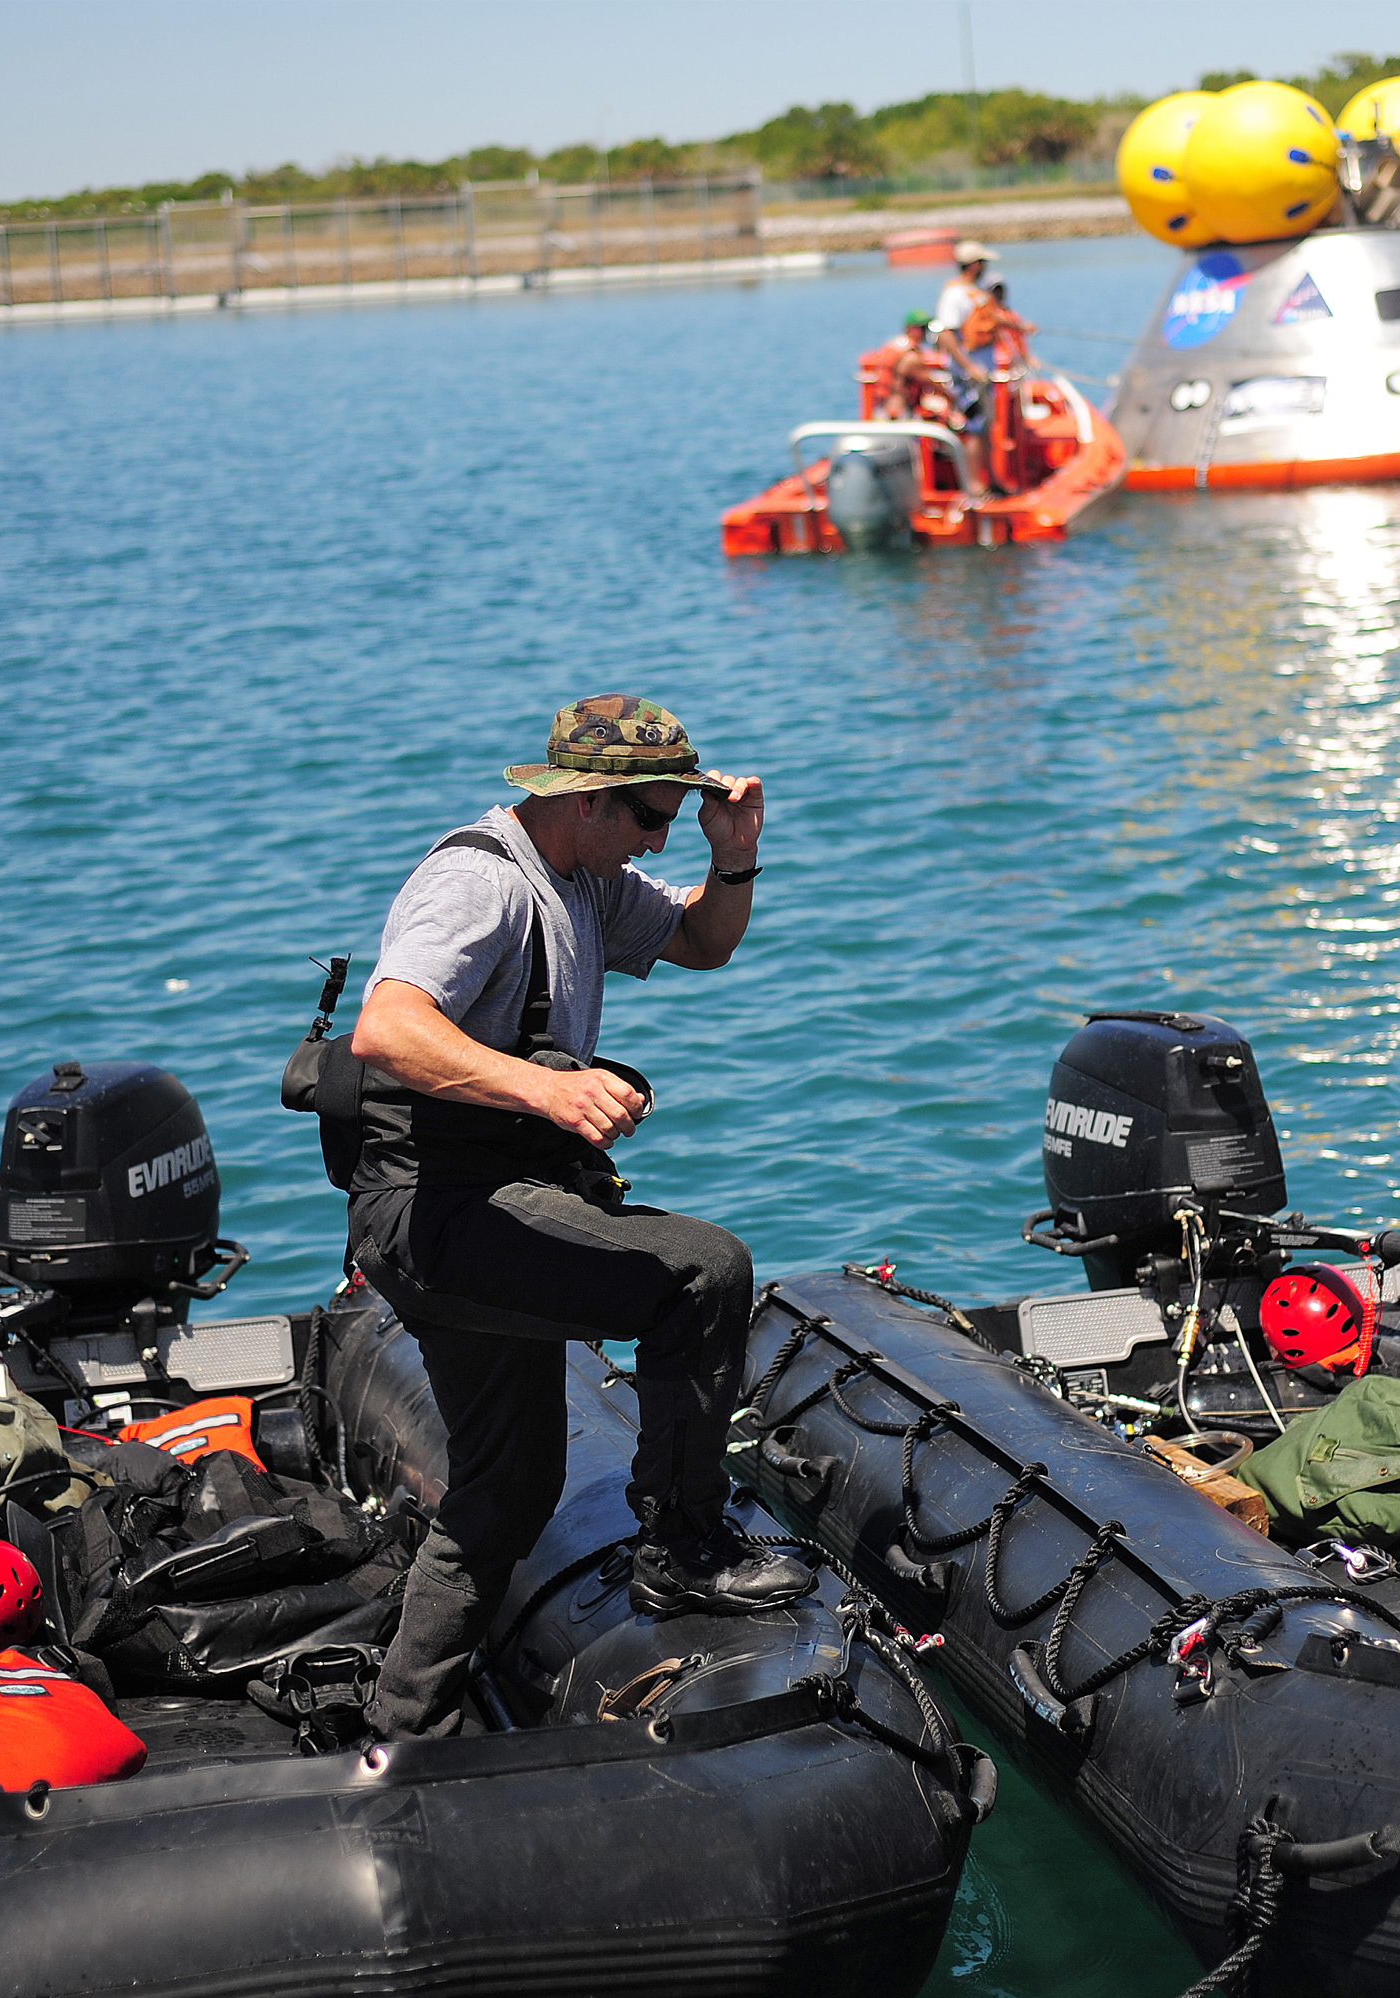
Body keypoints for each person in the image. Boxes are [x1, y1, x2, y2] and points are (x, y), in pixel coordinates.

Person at [345, 694, 814, 1740]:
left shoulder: (590, 880)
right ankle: (684, 1549)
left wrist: (732, 857)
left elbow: (702, 942)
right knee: (703, 1270)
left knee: (509, 1492)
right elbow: (387, 1025)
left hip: (490, 1206)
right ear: (587, 800)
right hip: (441, 1211)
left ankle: (400, 1734)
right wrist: (548, 1090)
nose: (658, 838)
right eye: (651, 817)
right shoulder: (482, 883)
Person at [930, 239, 1001, 497]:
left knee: (985, 427)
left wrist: (1020, 326)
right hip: (968, 374)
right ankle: (975, 486)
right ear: (973, 264)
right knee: (973, 428)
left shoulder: (975, 291)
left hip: (984, 371)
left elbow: (993, 317)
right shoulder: (954, 295)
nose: (986, 266)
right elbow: (946, 334)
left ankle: (992, 479)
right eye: (982, 262)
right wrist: (969, 366)